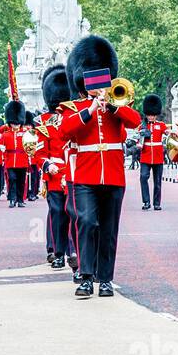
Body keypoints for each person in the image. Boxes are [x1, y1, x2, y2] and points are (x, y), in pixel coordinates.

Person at [53, 35, 142, 298]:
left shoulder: (118, 104)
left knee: (109, 228)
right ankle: (86, 276)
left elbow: (135, 122)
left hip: (113, 175)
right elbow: (64, 131)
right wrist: (91, 108)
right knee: (87, 222)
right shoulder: (74, 107)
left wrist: (113, 106)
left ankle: (105, 279)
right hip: (85, 175)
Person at [36, 65, 72, 269]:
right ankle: (58, 253)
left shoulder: (74, 119)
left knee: (74, 214)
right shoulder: (45, 125)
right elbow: (40, 154)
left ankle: (73, 251)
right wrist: (47, 164)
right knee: (57, 214)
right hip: (54, 177)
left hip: (73, 175)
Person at [137, 93, 166, 211]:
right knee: (143, 177)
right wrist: (138, 143)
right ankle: (146, 202)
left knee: (158, 181)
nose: (151, 117)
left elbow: (167, 132)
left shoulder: (161, 125)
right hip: (145, 156)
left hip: (158, 157)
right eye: (149, 115)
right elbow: (137, 139)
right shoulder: (142, 126)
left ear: (156, 115)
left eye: (153, 115)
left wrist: (171, 132)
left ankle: (157, 203)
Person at [2, 99, 29, 207]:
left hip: (22, 160)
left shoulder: (26, 133)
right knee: (12, 180)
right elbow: (3, 146)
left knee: (21, 181)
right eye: (13, 123)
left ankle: (20, 200)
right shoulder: (6, 134)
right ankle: (12, 199)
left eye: (17, 123)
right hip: (10, 160)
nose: (16, 125)